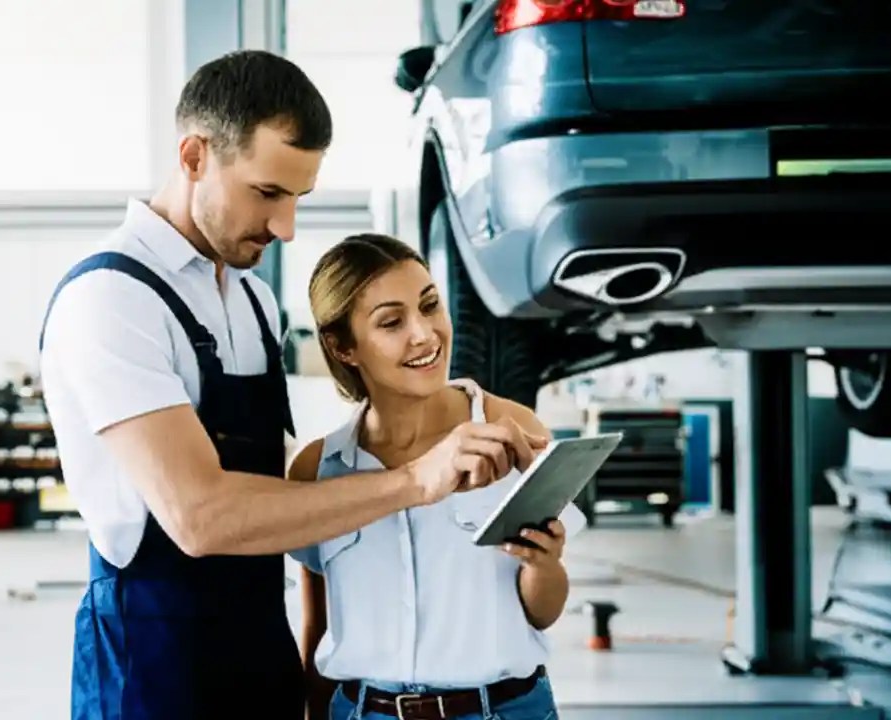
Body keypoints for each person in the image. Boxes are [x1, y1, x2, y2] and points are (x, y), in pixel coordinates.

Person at [38, 50, 548, 720]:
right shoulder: (112, 299)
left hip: (257, 647)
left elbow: (282, 500)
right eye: (267, 193)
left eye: (298, 197)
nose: (286, 227)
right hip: (152, 667)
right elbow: (201, 516)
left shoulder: (250, 300)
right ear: (194, 156)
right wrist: (416, 482)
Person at [290, 233, 587, 720]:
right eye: (392, 322)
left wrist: (544, 565)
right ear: (343, 347)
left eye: (430, 306)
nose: (425, 334)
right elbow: (318, 628)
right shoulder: (317, 470)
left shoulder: (511, 432)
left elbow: (542, 612)